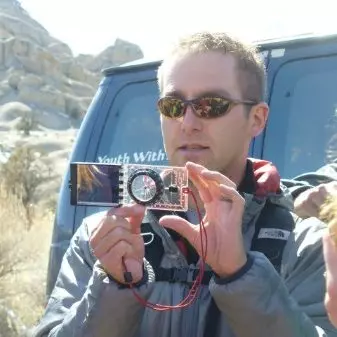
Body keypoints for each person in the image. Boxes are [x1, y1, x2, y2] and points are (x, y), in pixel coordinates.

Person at [33, 31, 336, 337]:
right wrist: (114, 288)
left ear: (256, 119)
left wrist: (242, 276)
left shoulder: (306, 246)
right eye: (173, 106)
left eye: (212, 105)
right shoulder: (99, 239)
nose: (188, 123)